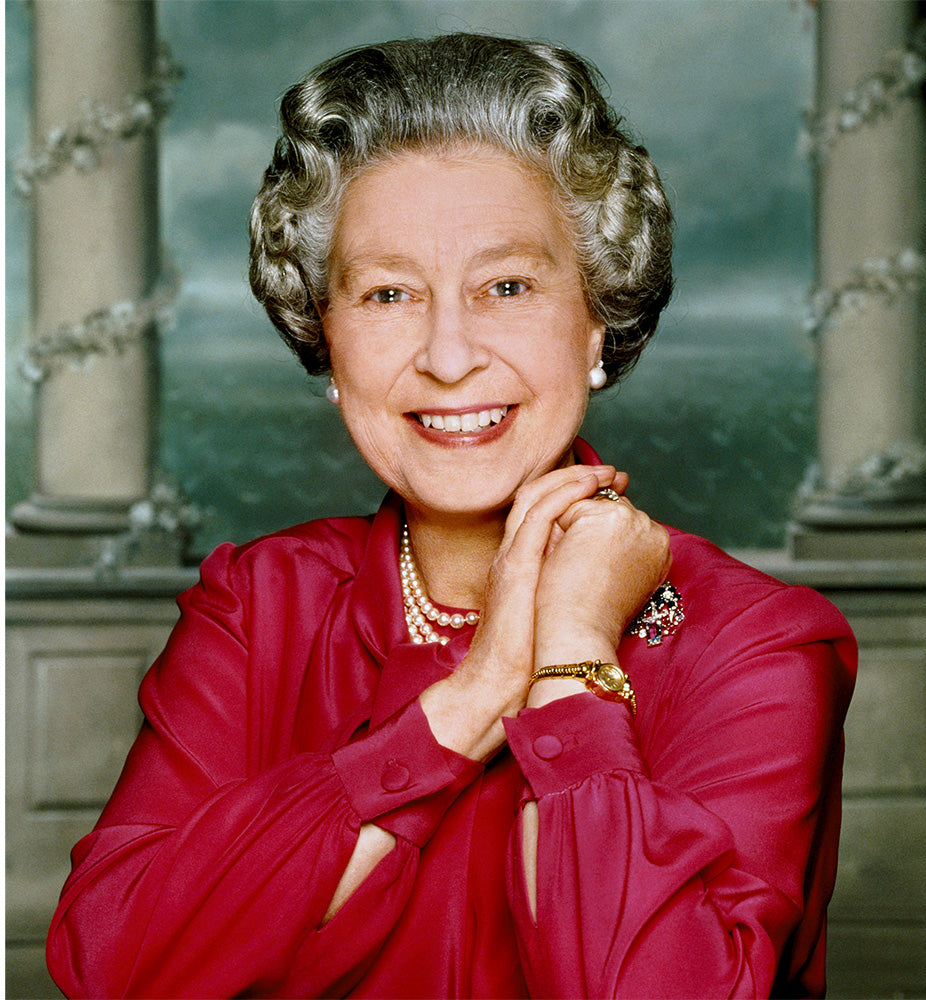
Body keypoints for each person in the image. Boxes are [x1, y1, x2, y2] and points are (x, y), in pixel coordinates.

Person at [47, 33, 856, 999]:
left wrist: (568, 667)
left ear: (597, 317)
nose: (446, 354)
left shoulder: (754, 645)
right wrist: (467, 704)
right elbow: (113, 965)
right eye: (388, 294)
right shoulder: (261, 608)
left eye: (506, 287)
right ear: (327, 339)